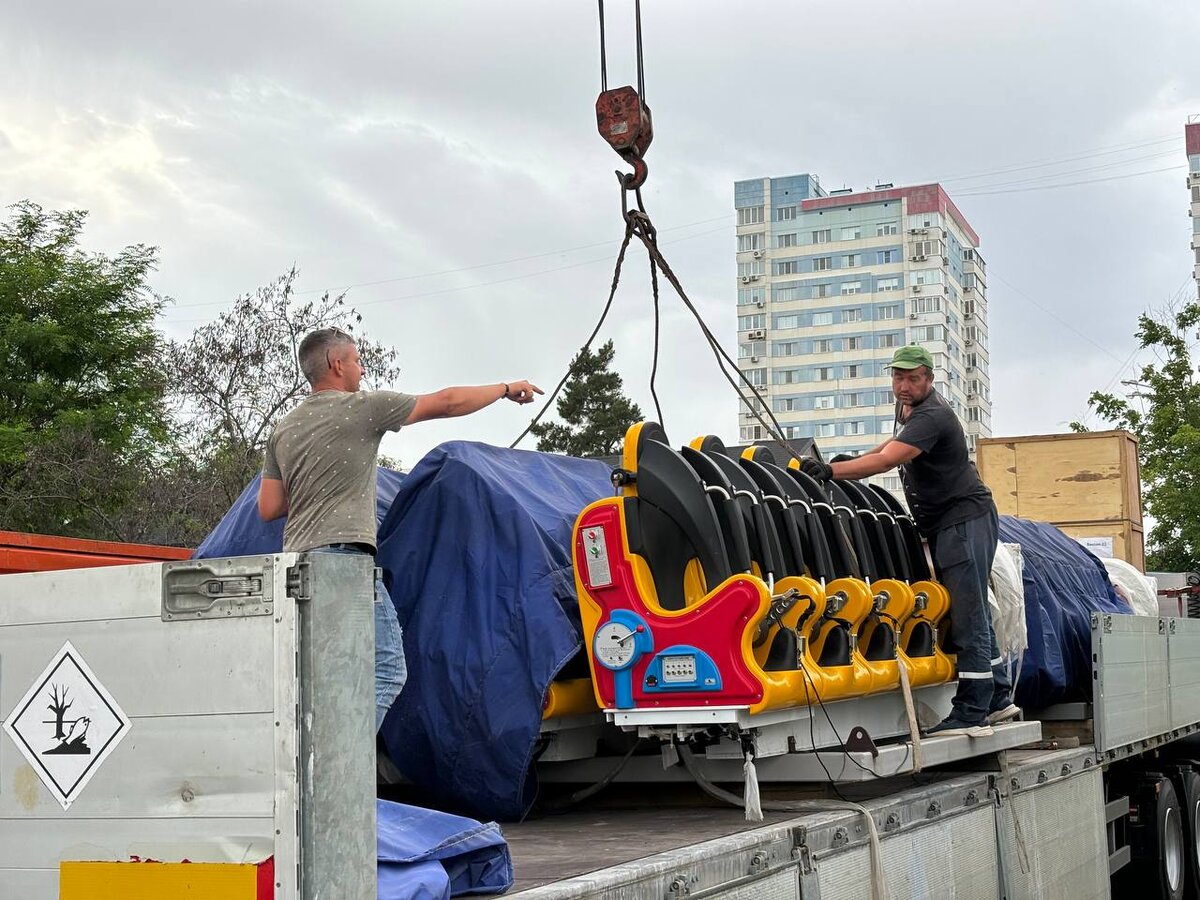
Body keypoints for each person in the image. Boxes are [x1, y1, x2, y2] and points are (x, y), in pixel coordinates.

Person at [257, 327, 542, 732]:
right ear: (337, 365)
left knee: (325, 679)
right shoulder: (361, 407)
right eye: (356, 360)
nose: (361, 368)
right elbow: (446, 402)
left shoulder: (285, 428)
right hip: (342, 562)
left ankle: (313, 773)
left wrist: (313, 484)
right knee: (387, 669)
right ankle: (341, 779)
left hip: (297, 568)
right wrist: (506, 387)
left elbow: (268, 507)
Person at [800, 344, 1019, 737]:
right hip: (947, 523)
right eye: (898, 377)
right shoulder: (909, 410)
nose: (903, 385)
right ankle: (999, 696)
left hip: (963, 520)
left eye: (912, 378)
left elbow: (888, 461)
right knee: (974, 610)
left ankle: (973, 707)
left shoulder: (932, 415)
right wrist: (845, 463)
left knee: (968, 613)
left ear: (928, 380)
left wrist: (833, 471)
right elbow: (885, 449)